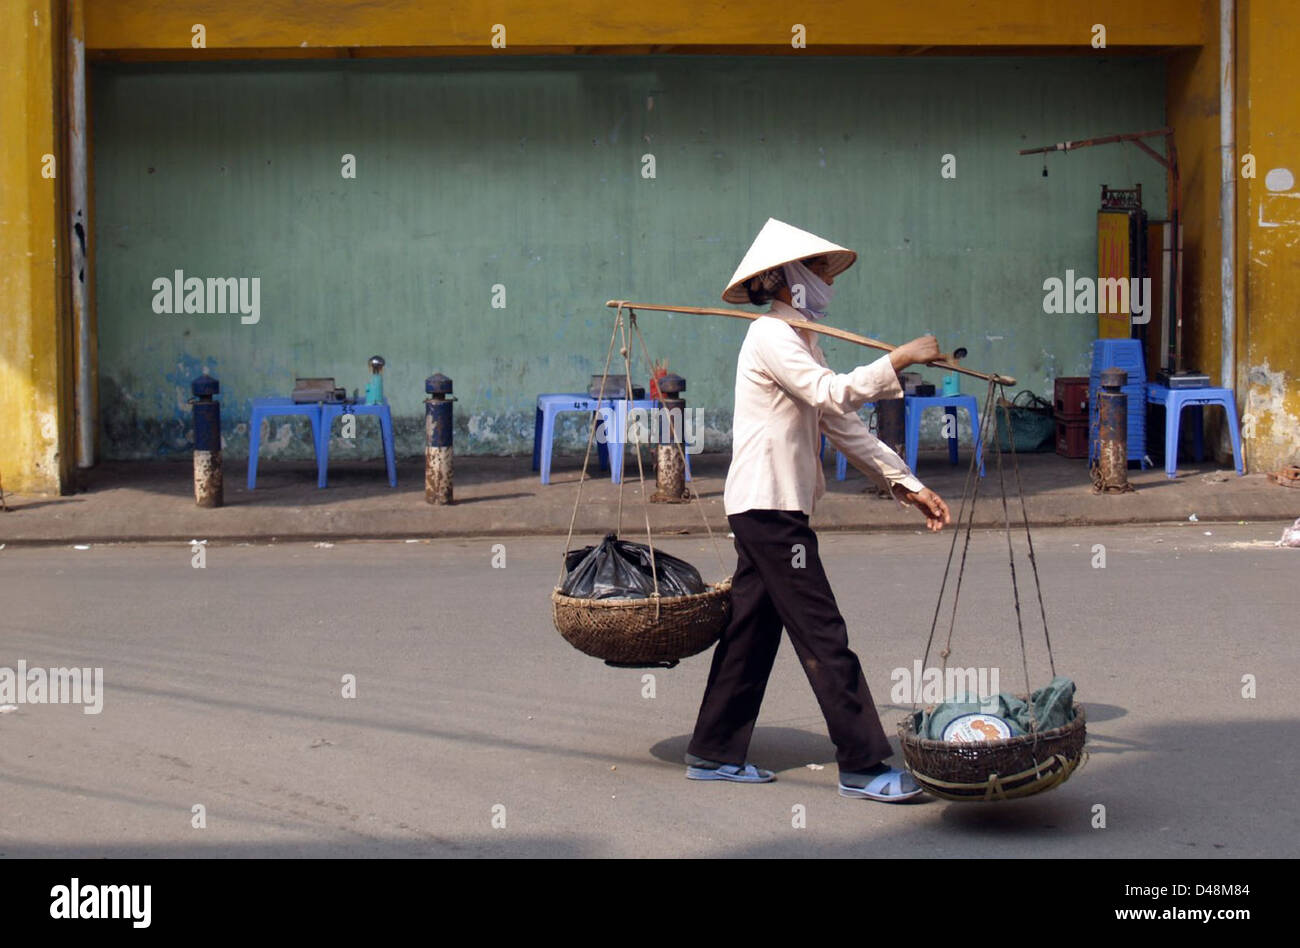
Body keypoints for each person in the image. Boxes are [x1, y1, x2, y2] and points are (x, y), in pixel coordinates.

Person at [685, 218, 952, 802]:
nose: (828, 279)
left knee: (752, 629)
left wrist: (905, 484)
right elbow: (833, 394)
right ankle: (863, 764)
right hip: (769, 510)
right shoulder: (770, 336)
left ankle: (713, 750)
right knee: (823, 633)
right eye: (819, 269)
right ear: (786, 279)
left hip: (772, 509)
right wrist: (898, 360)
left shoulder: (803, 341)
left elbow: (842, 424)